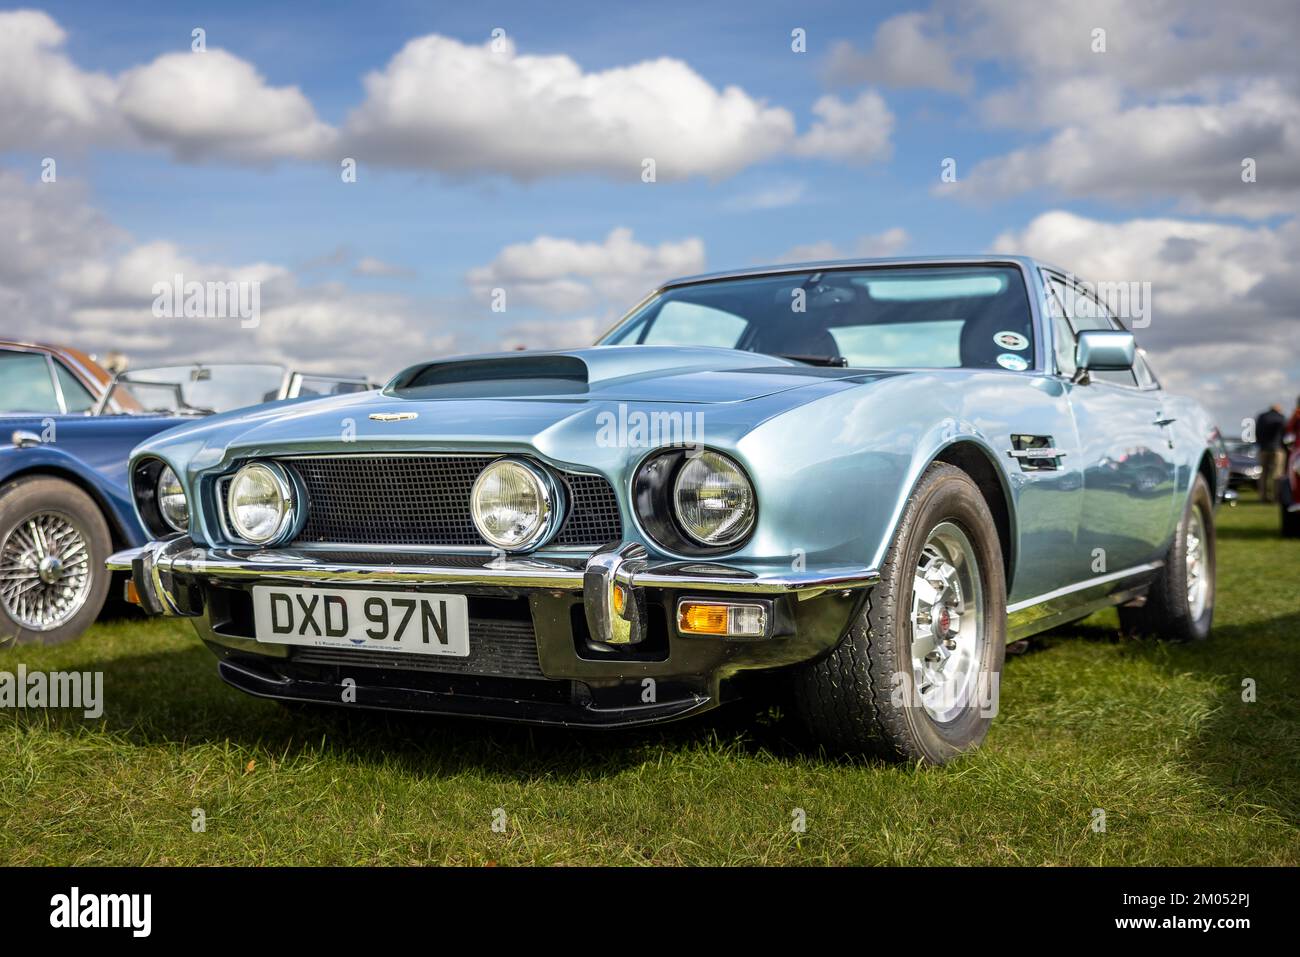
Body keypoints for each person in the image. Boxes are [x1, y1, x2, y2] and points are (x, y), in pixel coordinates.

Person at [1256, 403, 1286, 503]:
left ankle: (1263, 497)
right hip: (1277, 449)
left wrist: (1260, 444)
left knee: (1263, 474)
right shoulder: (1281, 417)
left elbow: (1257, 432)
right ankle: (1276, 497)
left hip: (1263, 449)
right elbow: (1284, 433)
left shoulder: (1262, 417)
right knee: (1277, 474)